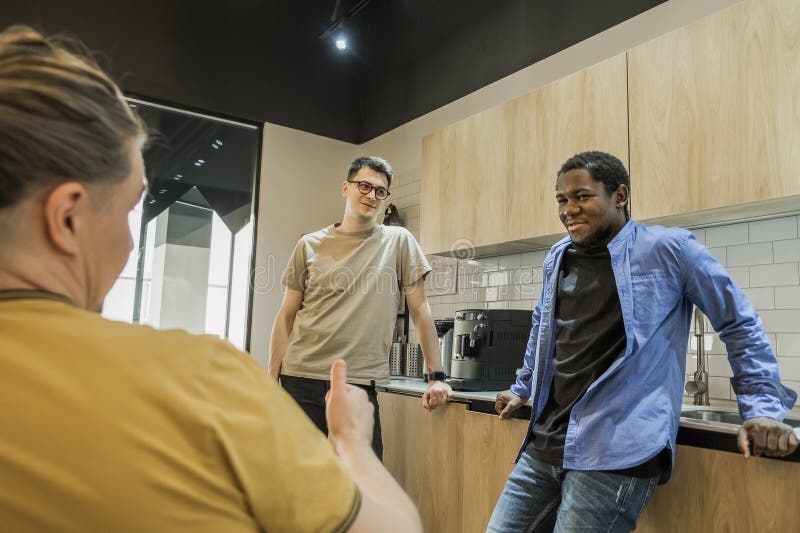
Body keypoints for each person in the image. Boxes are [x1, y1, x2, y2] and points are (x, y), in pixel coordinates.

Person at [0, 25, 422, 533]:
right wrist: (353, 443)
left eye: (380, 190)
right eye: (129, 211)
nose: (132, 244)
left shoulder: (396, 244)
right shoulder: (204, 380)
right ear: (67, 217)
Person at [487, 151, 798, 532]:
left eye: (582, 196)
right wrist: (523, 386)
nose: (568, 209)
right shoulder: (557, 256)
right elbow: (543, 326)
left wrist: (761, 408)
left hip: (616, 450)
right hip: (546, 442)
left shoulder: (670, 249)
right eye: (561, 199)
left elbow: (738, 322)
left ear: (619, 196)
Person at [268, 155, 453, 458]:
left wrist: (437, 378)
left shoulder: (399, 241)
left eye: (380, 191)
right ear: (346, 188)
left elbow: (420, 311)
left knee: (362, 480)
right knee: (301, 479)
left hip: (358, 383)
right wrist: (271, 378)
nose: (372, 195)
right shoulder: (309, 244)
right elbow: (286, 315)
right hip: (301, 378)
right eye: (364, 186)